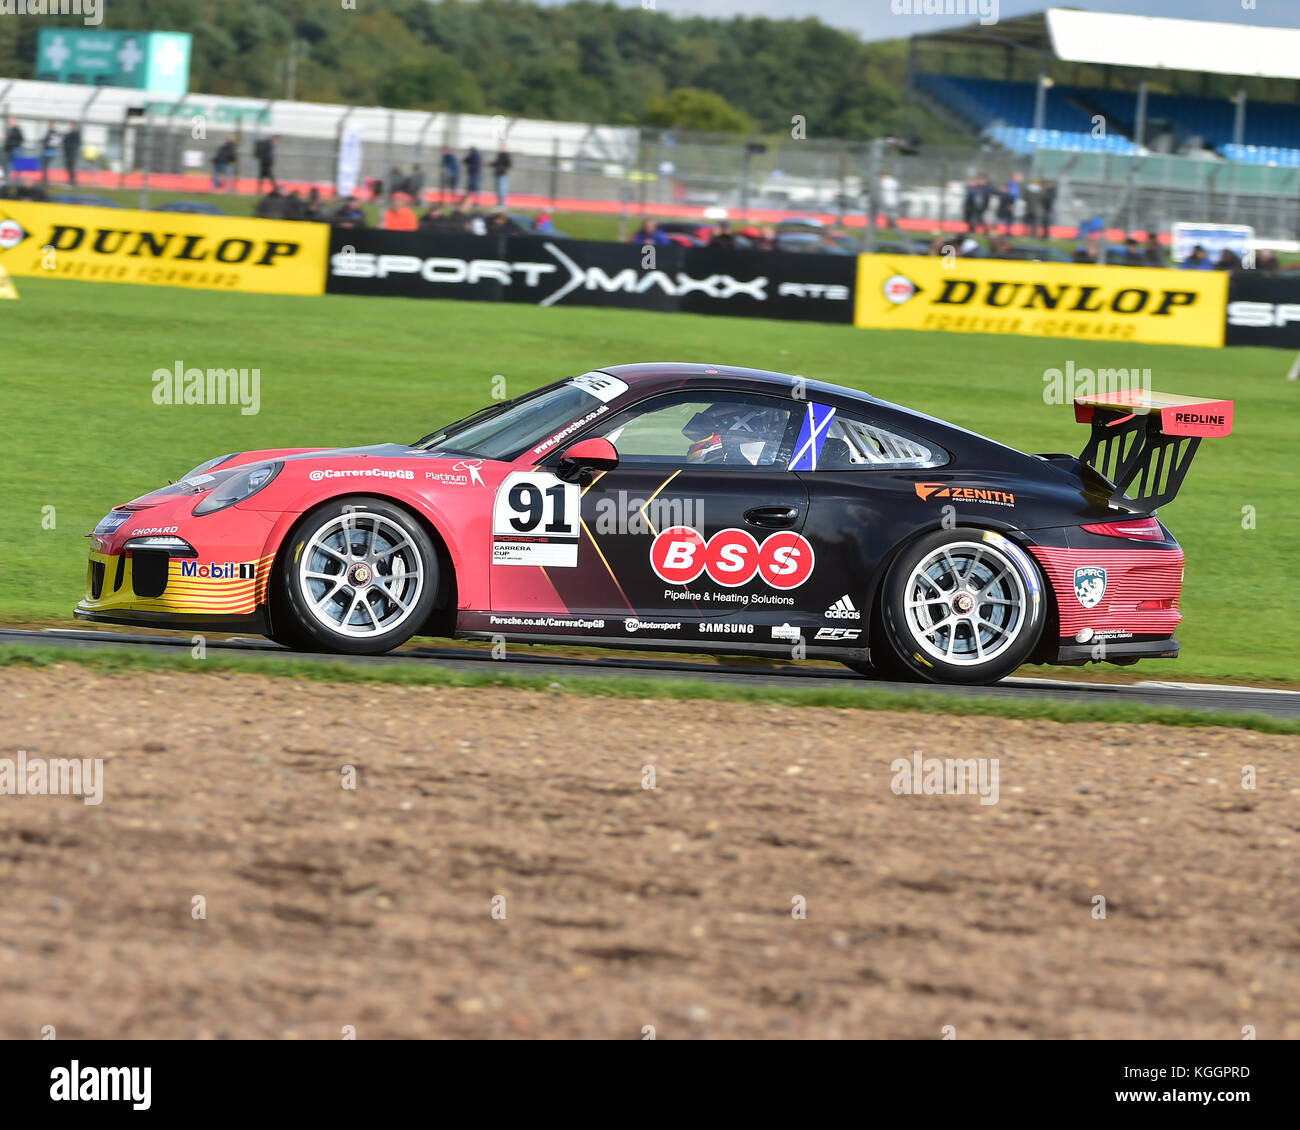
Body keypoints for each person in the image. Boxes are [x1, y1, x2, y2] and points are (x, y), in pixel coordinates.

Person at [3, 118, 23, 182]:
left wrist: (13, 144)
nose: (10, 123)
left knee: (17, 166)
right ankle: (7, 181)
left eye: (11, 121)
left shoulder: (17, 130)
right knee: (8, 166)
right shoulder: (9, 130)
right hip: (9, 150)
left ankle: (18, 181)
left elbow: (21, 139)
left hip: (15, 150)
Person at [40, 121, 58, 185]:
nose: (49, 126)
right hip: (46, 151)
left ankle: (46, 180)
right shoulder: (48, 132)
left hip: (50, 152)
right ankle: (44, 179)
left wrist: (47, 143)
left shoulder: (53, 133)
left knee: (46, 166)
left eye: (51, 125)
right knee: (44, 166)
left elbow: (54, 143)